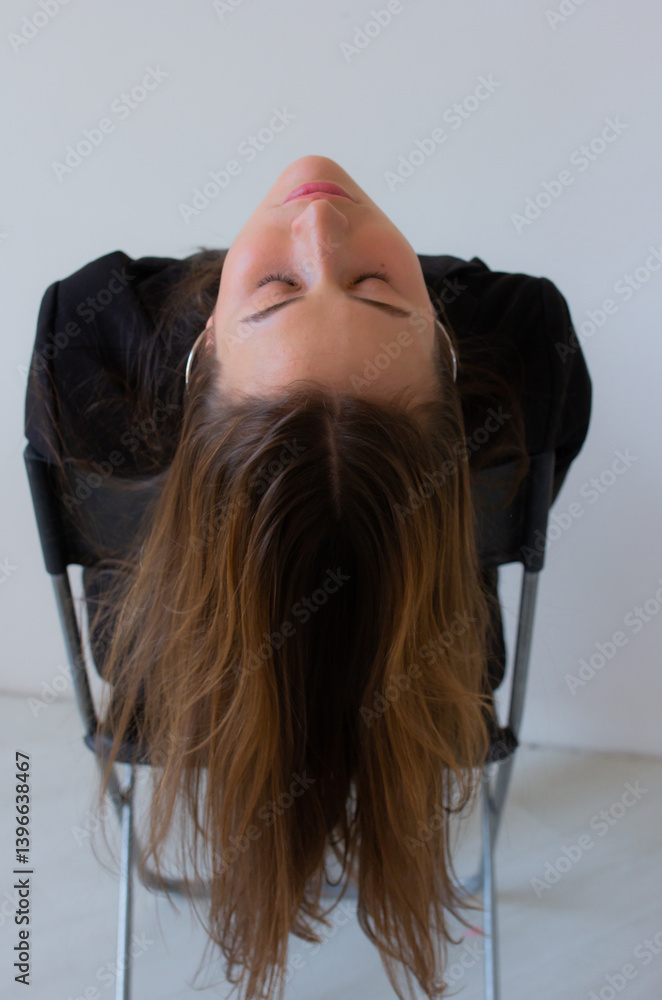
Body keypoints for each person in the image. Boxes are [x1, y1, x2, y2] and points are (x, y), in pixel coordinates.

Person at [24, 155, 591, 1000]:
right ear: (448, 351)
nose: (319, 225)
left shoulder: (86, 345)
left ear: (207, 349)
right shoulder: (525, 338)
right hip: (441, 683)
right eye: (372, 288)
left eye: (281, 289)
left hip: (167, 692)